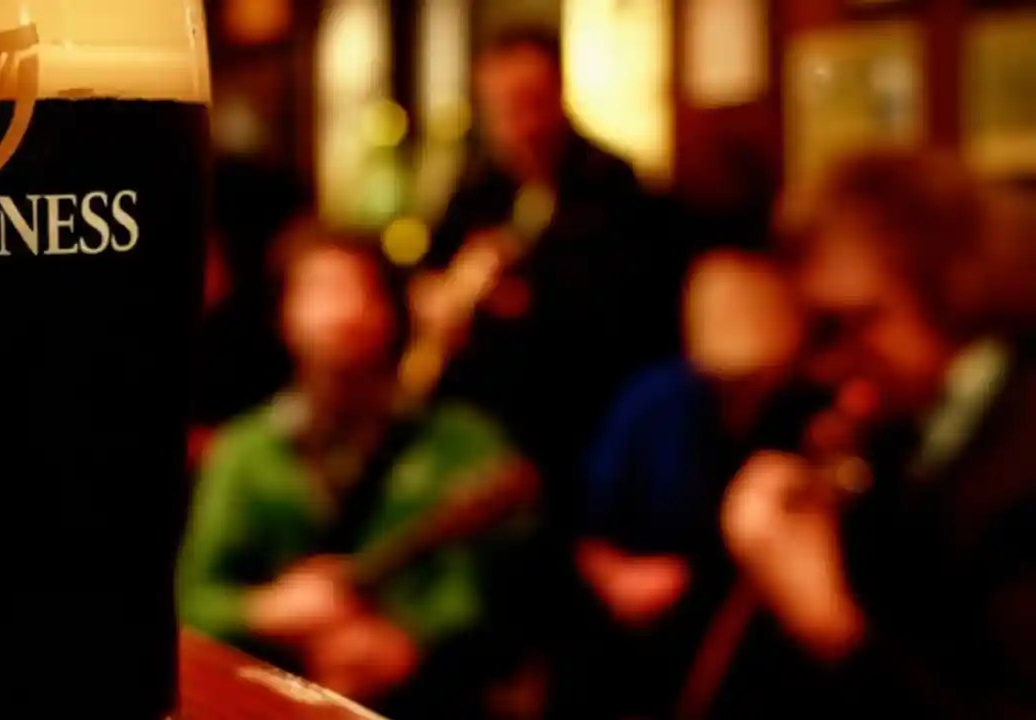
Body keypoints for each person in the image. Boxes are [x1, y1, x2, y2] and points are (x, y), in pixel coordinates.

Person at [717, 151, 1036, 718]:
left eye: (856, 322)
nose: (830, 363)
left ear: (948, 283)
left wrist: (830, 624)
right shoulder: (910, 425)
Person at [177, 225, 533, 718]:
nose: (344, 311)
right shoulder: (245, 451)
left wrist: (411, 639)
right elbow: (191, 600)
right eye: (321, 290)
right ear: (284, 313)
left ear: (392, 311)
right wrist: (267, 610)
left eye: (363, 290)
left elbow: (504, 594)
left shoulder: (461, 440)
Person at [417, 27, 683, 524]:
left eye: (529, 102)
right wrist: (442, 294)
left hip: (582, 417)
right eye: (500, 108)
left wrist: (522, 302)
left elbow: (637, 318)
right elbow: (429, 274)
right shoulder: (477, 187)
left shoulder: (615, 186)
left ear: (558, 93)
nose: (518, 124)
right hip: (482, 414)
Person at [571, 252, 821, 718]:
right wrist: (618, 578)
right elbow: (585, 519)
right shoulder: (654, 402)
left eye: (754, 380)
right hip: (626, 646)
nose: (742, 392)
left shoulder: (804, 420)